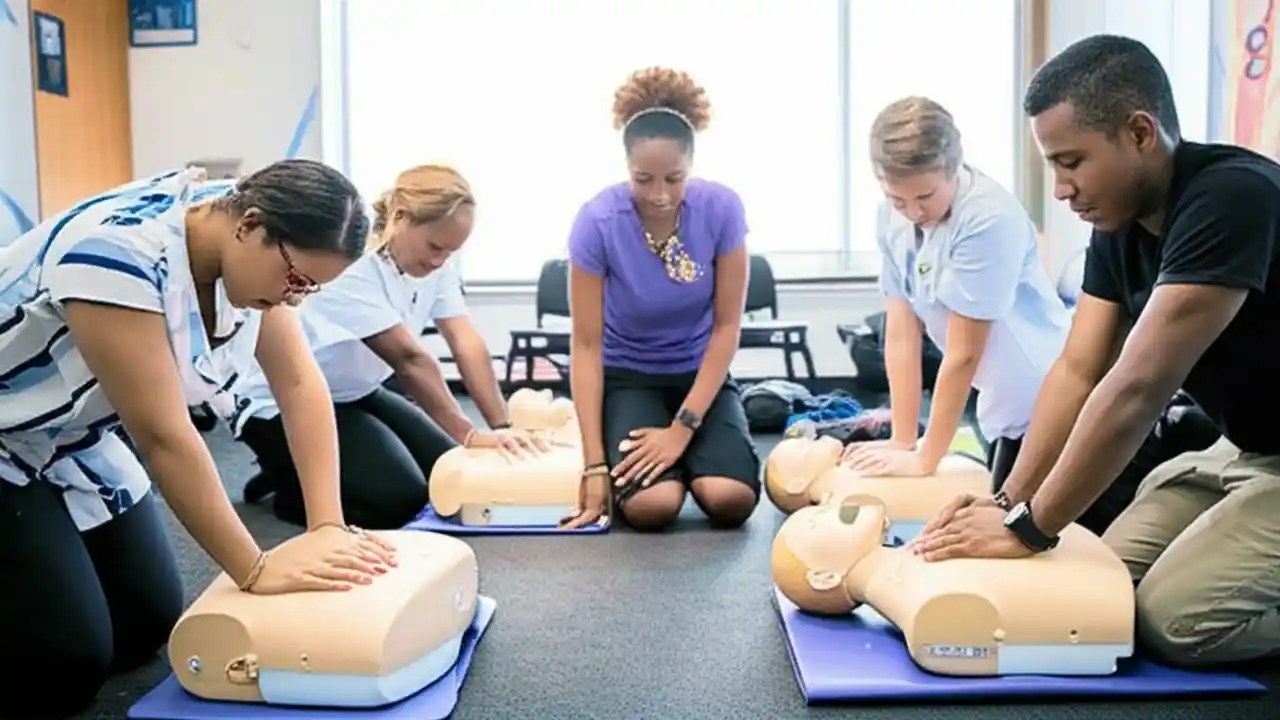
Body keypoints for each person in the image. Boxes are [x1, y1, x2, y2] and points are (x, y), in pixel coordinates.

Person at [913, 34, 1280, 669]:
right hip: (1243, 449)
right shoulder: (1118, 220)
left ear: (1139, 133)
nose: (1060, 189)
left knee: (1175, 625)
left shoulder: (1234, 196)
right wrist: (1009, 504)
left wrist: (1030, 529)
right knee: (1109, 588)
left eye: (1072, 161)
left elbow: (1135, 388)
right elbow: (1079, 370)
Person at [0, 161, 396, 718]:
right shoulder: (116, 255)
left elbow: (300, 382)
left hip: (74, 432)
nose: (295, 297)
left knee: (145, 624)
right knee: (64, 666)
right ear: (250, 226)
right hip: (6, 432)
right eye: (295, 278)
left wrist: (326, 526)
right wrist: (255, 569)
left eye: (313, 287)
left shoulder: (242, 236)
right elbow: (163, 436)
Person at [233, 164, 549, 530]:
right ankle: (288, 482)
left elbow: (465, 342)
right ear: (400, 217)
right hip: (277, 404)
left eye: (450, 251)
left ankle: (315, 469)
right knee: (399, 501)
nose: (438, 260)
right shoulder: (353, 267)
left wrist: (502, 426)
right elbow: (409, 360)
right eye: (434, 246)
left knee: (451, 471)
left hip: (356, 391)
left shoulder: (439, 264)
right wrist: (471, 433)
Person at [560, 67, 760, 531]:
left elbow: (727, 327)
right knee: (654, 508)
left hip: (700, 374)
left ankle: (695, 458)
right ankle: (671, 467)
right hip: (629, 378)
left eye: (674, 178)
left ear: (691, 166)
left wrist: (681, 430)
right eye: (643, 179)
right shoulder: (597, 221)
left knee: (729, 499)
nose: (660, 195)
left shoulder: (721, 209)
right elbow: (586, 346)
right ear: (626, 167)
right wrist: (593, 467)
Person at [841, 96, 1072, 491]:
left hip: (1047, 395)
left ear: (953, 168)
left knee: (1030, 528)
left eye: (925, 197)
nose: (912, 212)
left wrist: (926, 458)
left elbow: (964, 353)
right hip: (994, 396)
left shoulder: (987, 218)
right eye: (897, 199)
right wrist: (902, 438)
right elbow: (901, 333)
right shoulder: (889, 218)